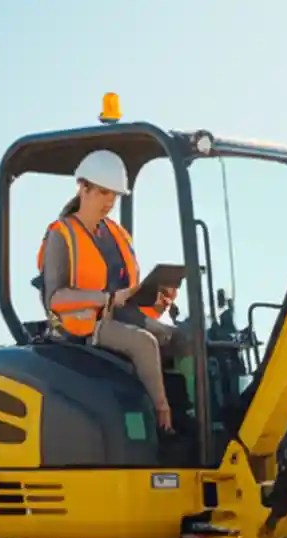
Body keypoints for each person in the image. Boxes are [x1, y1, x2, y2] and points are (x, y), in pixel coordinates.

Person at [36, 149, 191, 432]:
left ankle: (195, 419)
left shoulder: (118, 234)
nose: (110, 202)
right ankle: (161, 419)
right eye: (104, 193)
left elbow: (127, 291)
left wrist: (158, 302)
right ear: (83, 188)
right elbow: (55, 298)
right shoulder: (62, 234)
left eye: (114, 195)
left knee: (184, 339)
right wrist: (105, 298)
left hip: (120, 314)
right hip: (83, 325)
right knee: (143, 343)